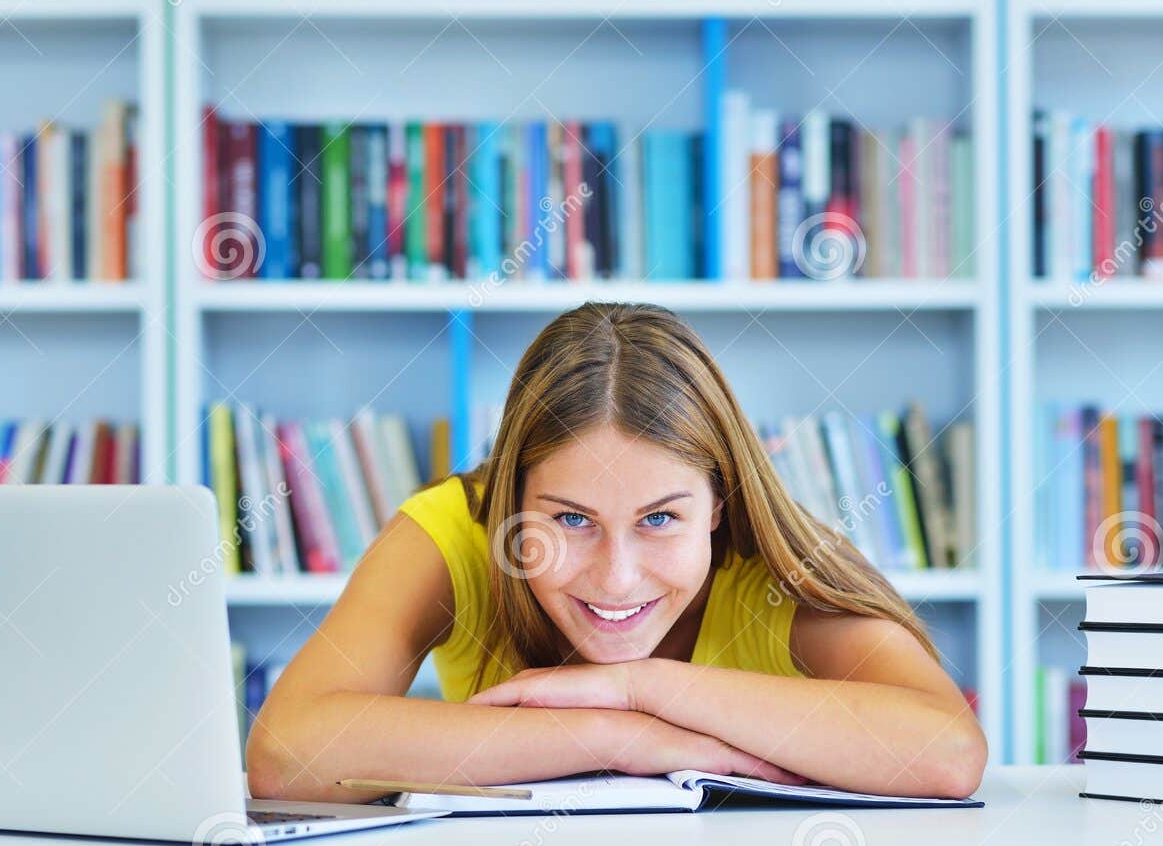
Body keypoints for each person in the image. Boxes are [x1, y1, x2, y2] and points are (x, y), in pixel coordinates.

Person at [246, 301, 986, 803]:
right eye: (570, 519)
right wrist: (616, 734)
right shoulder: (454, 536)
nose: (616, 575)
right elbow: (287, 754)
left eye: (661, 519)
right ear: (510, 504)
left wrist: (643, 687)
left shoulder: (769, 569)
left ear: (719, 504)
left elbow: (947, 754)